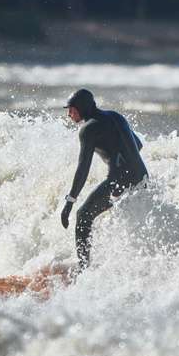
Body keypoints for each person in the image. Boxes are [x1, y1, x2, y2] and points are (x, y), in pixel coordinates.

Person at [59, 89, 148, 271]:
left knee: (83, 216)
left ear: (82, 108)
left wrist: (70, 201)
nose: (69, 114)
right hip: (142, 177)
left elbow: (83, 169)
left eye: (72, 110)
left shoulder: (88, 129)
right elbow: (138, 144)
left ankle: (83, 269)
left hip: (120, 182)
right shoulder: (116, 116)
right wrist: (119, 158)